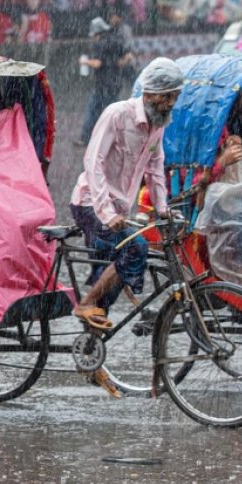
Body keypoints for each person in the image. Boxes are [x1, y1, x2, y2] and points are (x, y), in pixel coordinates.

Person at [70, 57, 182, 333]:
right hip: (90, 204)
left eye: (175, 96)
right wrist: (106, 213)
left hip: (119, 210)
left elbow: (155, 168)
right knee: (135, 248)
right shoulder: (118, 114)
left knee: (110, 265)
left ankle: (92, 340)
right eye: (167, 96)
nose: (171, 103)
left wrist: (162, 208)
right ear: (150, 93)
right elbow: (93, 162)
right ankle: (86, 303)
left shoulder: (158, 124)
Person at [77, 17, 130, 146]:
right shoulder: (116, 41)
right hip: (116, 82)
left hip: (103, 84)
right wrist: (117, 65)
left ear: (97, 33)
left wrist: (84, 62)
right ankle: (120, 138)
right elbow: (128, 56)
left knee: (93, 111)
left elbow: (97, 63)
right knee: (115, 112)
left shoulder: (100, 44)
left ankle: (86, 138)